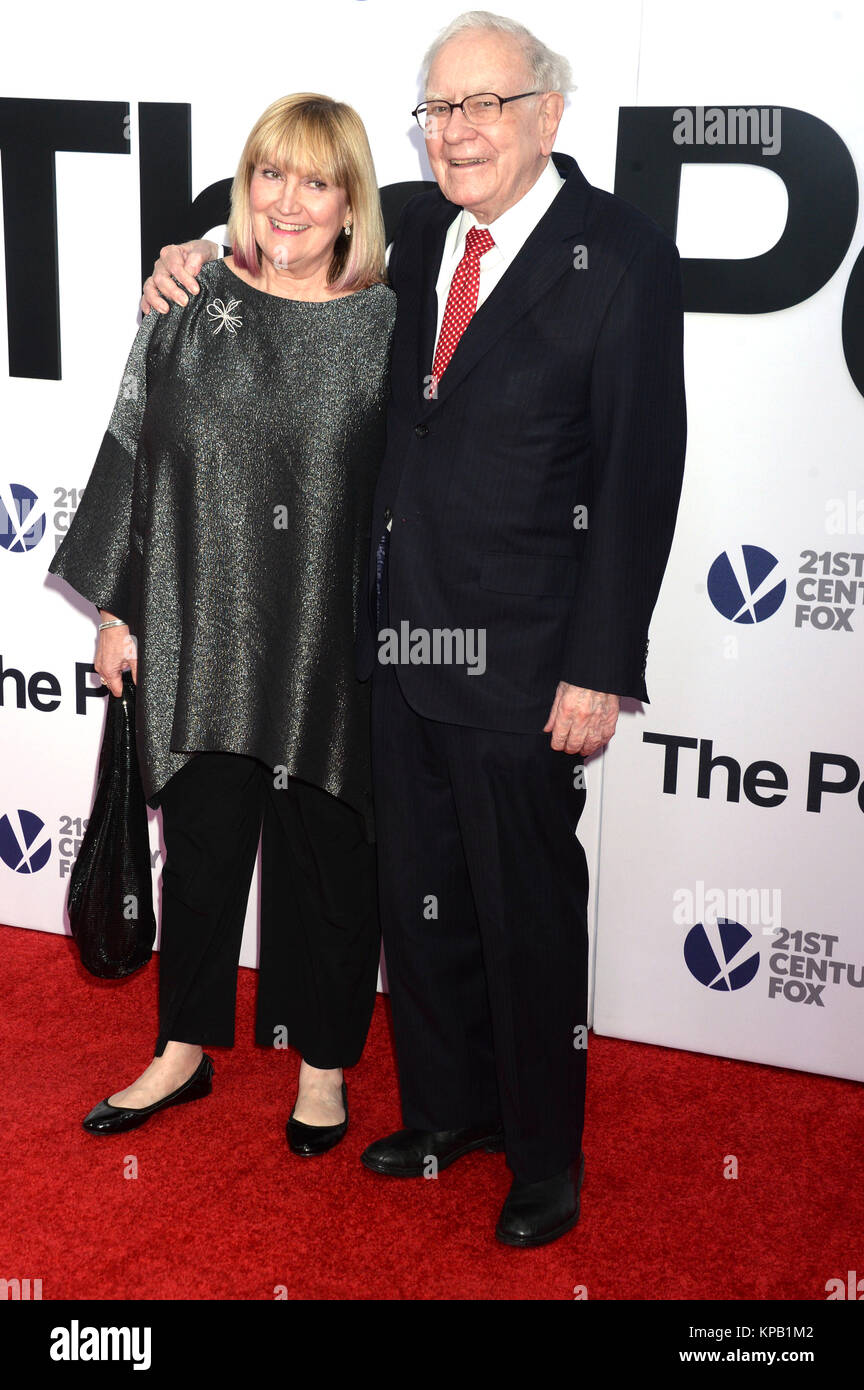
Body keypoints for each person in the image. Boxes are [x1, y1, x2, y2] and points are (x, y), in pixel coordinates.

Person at [143, 11, 686, 1246]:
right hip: (391, 650)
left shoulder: (623, 255)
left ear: (551, 110)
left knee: (526, 914)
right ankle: (448, 1114)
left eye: (489, 105)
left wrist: (600, 667)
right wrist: (191, 248)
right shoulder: (424, 218)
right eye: (442, 110)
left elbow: (642, 472)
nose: (462, 132)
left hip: (529, 659)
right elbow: (293, 203)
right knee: (421, 895)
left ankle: (545, 1156)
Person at [49, 94, 396, 1153]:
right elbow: (131, 451)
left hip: (328, 645)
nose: (288, 201)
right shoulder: (188, 297)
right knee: (199, 855)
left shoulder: (387, 320)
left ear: (351, 203)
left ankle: (325, 1063)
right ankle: (183, 1049)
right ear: (245, 188)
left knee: (329, 861)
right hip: (198, 625)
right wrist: (117, 607)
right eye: (269, 177)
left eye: (316, 182)